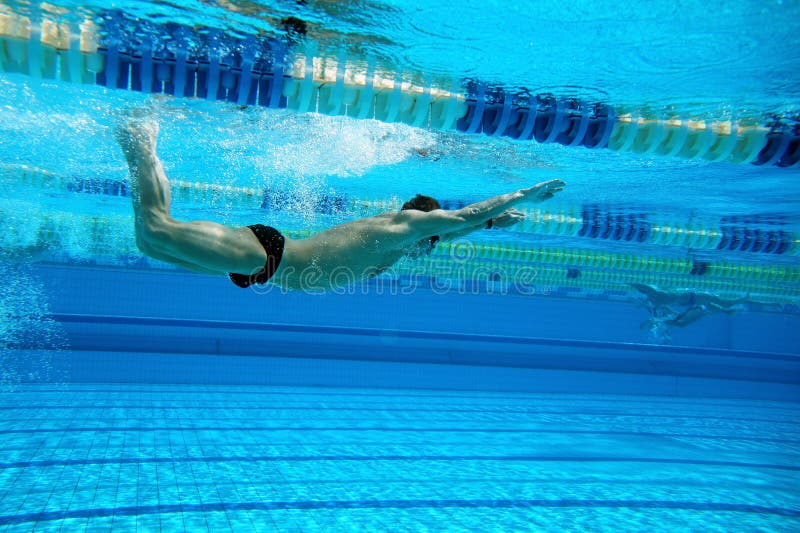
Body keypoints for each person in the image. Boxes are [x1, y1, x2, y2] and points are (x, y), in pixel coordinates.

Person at [116, 116, 566, 292]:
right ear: (423, 220)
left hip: (262, 271)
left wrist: (490, 226)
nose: (432, 244)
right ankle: (141, 137)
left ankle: (139, 147)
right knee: (156, 229)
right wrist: (522, 195)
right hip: (266, 253)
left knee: (148, 244)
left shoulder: (405, 242)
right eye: (433, 234)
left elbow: (456, 229)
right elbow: (462, 217)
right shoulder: (406, 225)